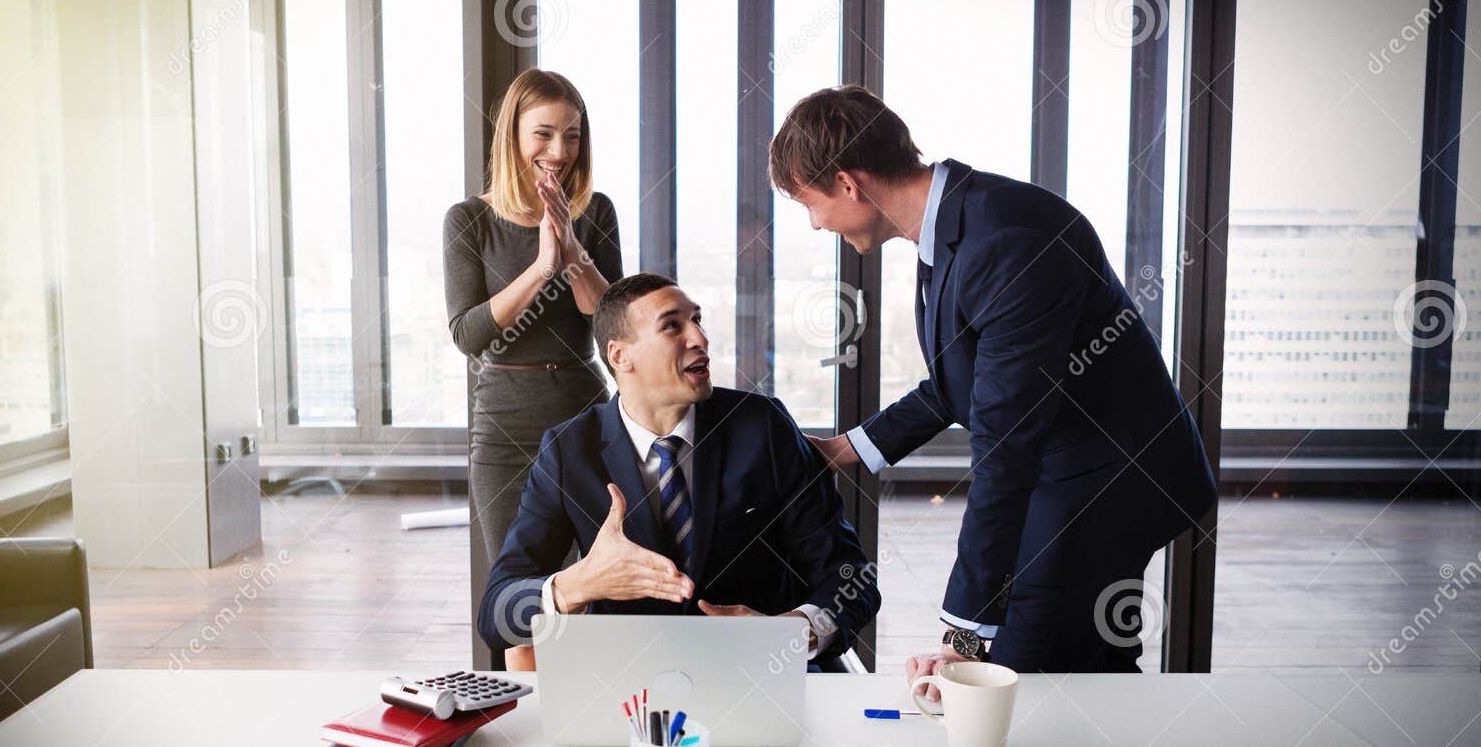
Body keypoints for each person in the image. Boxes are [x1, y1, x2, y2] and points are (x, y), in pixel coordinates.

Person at [769, 85, 1216, 678]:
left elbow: (1007, 445)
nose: (814, 224)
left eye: (808, 203)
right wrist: (850, 447)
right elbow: (963, 382)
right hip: (1074, 473)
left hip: (1111, 481)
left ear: (850, 184)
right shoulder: (958, 226)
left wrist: (967, 630)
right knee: (1090, 666)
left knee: (1021, 676)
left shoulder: (1007, 241)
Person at [477, 272, 880, 668]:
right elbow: (496, 613)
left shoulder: (764, 426)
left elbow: (853, 578)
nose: (700, 339)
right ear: (620, 355)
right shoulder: (568, 452)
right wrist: (578, 584)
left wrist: (795, 631)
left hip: (760, 675)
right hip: (630, 689)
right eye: (672, 326)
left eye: (698, 320)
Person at [444, 69, 623, 670]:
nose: (559, 152)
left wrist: (573, 253)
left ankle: (594, 721)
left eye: (572, 136)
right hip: (503, 425)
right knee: (523, 600)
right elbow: (469, 334)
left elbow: (615, 324)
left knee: (592, 588)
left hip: (582, 417)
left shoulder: (595, 211)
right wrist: (542, 264)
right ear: (511, 136)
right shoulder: (468, 220)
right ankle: (534, 733)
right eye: (543, 134)